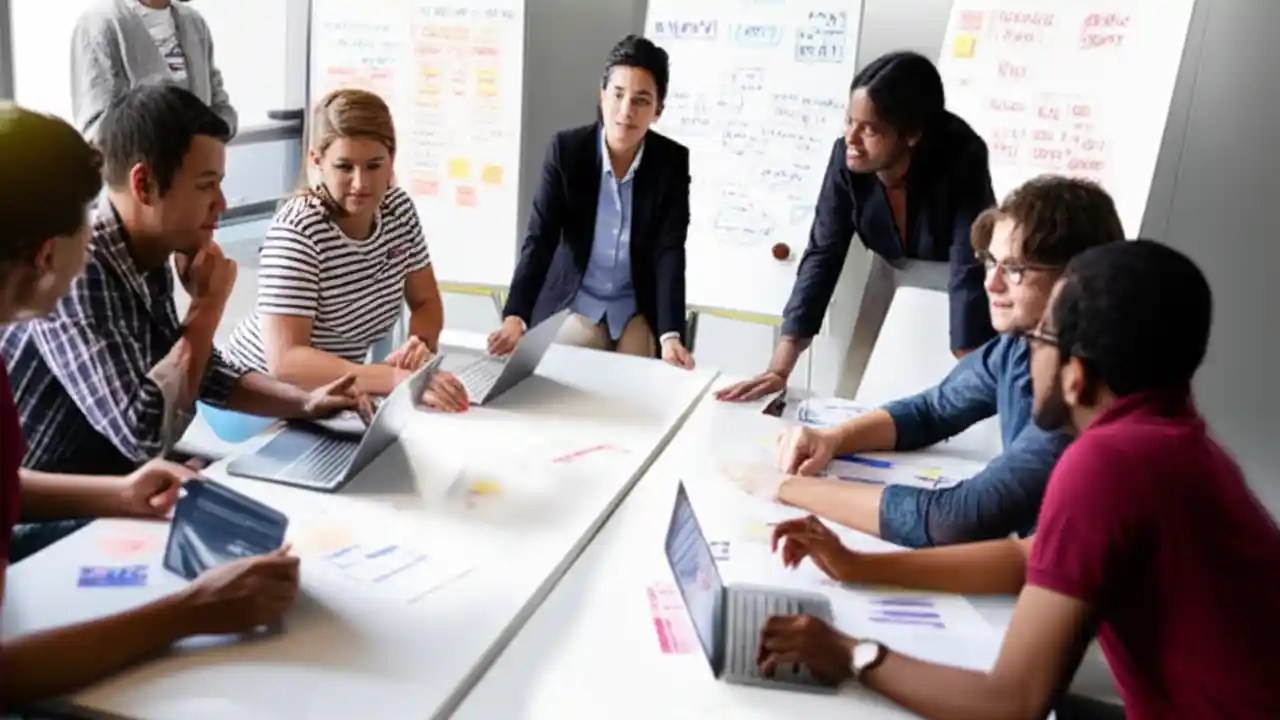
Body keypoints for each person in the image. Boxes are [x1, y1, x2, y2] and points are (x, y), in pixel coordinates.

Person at [760, 241, 1280, 719]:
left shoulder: (1109, 463)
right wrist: (859, 567)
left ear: (1076, 375)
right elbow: (1025, 559)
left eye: (1038, 339)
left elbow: (1012, 703)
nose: (1023, 353)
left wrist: (850, 654)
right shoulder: (1174, 439)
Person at [0, 102, 299, 713]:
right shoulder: (85, 283)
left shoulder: (154, 258)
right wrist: (189, 613)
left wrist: (115, 495)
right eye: (86, 222)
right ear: (45, 253)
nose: (95, 236)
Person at [0, 85, 368, 483]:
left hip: (117, 486)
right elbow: (142, 433)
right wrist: (206, 309)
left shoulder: (150, 248)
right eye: (205, 185)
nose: (222, 203)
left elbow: (197, 370)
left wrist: (305, 402)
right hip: (53, 508)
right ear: (145, 185)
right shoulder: (79, 270)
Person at [749, 176, 1124, 548]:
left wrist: (787, 488)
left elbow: (956, 519)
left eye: (1014, 270)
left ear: (1077, 278)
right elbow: (932, 410)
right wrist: (831, 439)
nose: (990, 284)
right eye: (990, 262)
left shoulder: (1085, 391)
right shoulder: (1018, 346)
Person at [717, 51, 996, 402]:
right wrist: (780, 367)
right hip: (885, 264)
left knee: (952, 392)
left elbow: (967, 266)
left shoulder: (962, 156)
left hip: (951, 274)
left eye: (870, 129)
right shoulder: (846, 157)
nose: (852, 138)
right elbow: (824, 252)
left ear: (911, 135)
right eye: (849, 121)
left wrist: (975, 367)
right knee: (855, 385)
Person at [222, 89, 467, 411]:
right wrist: (394, 378)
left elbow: (425, 302)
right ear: (317, 162)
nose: (360, 182)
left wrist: (418, 348)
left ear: (392, 160)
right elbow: (286, 361)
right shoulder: (299, 229)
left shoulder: (400, 210)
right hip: (259, 398)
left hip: (328, 396)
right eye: (344, 167)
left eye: (374, 165)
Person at [488, 35, 695, 369]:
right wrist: (516, 316)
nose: (626, 111)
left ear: (658, 111)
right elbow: (540, 239)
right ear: (602, 95)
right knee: (568, 368)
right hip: (576, 302)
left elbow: (669, 252)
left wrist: (671, 335)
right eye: (618, 95)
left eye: (641, 101)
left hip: (634, 308)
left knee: (635, 377)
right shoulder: (567, 151)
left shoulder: (671, 163)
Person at [72, 0, 236, 139]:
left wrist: (216, 133)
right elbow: (97, 130)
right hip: (142, 173)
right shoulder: (100, 24)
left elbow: (220, 107)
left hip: (196, 172)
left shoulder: (194, 22)